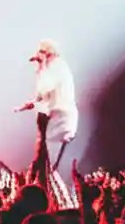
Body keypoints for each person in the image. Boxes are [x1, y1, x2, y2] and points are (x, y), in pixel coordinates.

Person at [16, 40, 78, 170]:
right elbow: (43, 94)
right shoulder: (55, 68)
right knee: (45, 164)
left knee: (47, 165)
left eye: (41, 53)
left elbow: (46, 86)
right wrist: (32, 103)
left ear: (48, 54)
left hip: (60, 119)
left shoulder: (57, 66)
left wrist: (42, 66)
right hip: (58, 118)